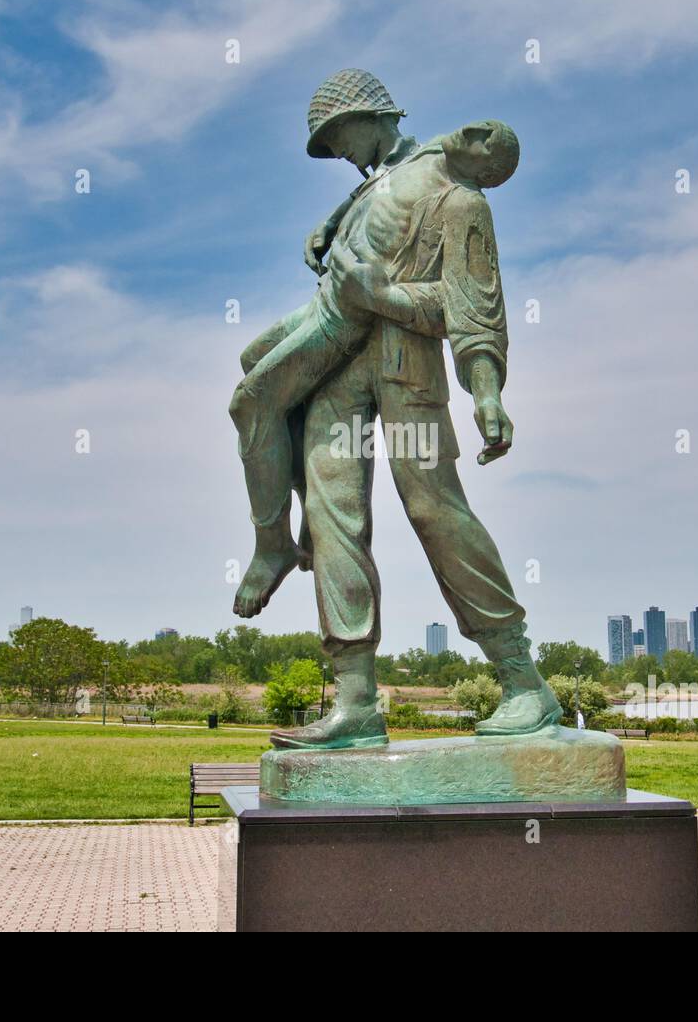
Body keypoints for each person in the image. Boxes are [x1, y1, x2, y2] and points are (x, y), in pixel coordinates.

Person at [232, 69, 562, 749]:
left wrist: (488, 390)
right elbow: (355, 247)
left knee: (434, 510)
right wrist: (331, 233)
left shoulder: (458, 198)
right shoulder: (367, 192)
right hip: (336, 377)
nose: (341, 152)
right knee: (332, 522)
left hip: (406, 373)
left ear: (376, 117)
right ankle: (354, 701)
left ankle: (522, 679)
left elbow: (468, 308)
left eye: (342, 137)